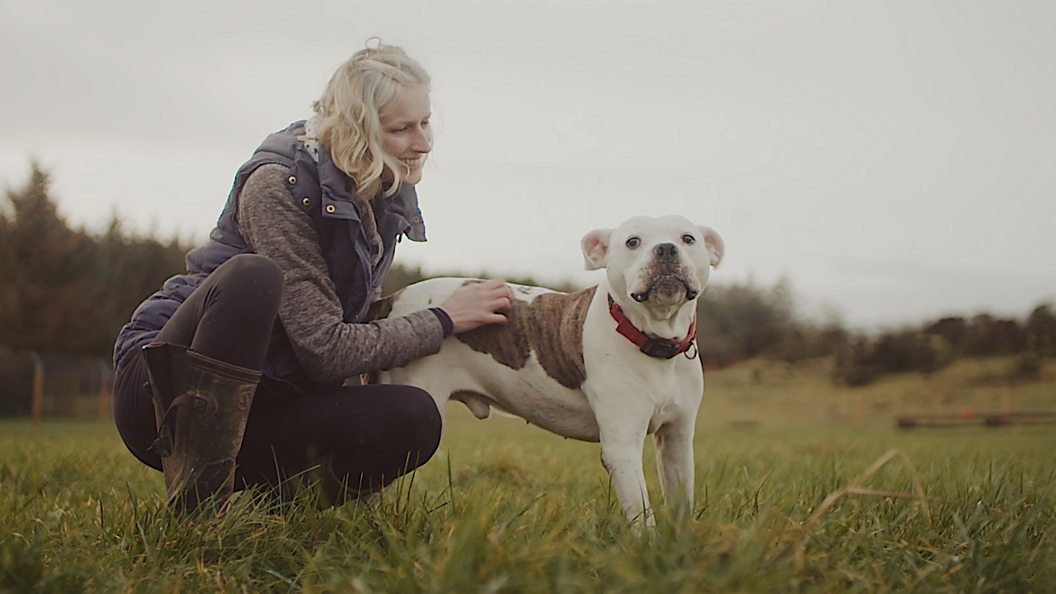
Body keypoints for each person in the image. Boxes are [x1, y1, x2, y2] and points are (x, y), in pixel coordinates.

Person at [111, 40, 513, 514]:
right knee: (252, 278)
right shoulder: (278, 186)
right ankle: (196, 509)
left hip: (269, 405)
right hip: (163, 397)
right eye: (401, 128)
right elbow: (325, 349)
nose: (423, 142)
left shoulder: (382, 192)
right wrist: (443, 320)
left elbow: (346, 338)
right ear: (357, 130)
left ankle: (262, 517)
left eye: (424, 122)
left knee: (415, 418)